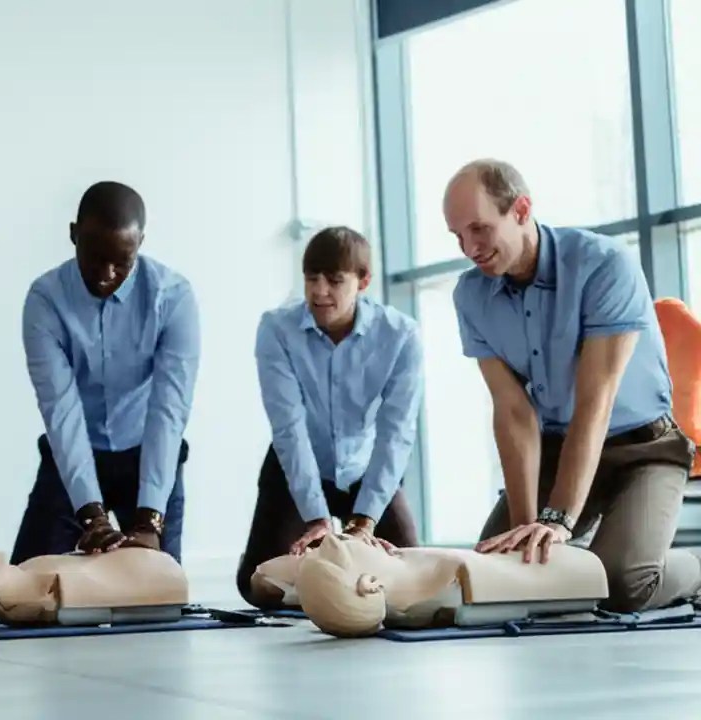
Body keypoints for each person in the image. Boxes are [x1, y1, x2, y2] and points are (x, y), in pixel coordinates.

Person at [447, 158, 701, 612]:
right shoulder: (471, 295)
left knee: (624, 584)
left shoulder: (605, 266)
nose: (469, 247)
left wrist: (557, 519)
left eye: (479, 229)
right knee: (497, 571)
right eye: (458, 236)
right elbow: (513, 412)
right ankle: (578, 562)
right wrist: (526, 529)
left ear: (521, 210)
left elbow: (595, 401)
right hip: (559, 447)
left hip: (644, 450)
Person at [11, 181, 200, 564]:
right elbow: (61, 411)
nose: (106, 273)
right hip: (74, 454)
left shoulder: (174, 297)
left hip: (147, 450)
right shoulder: (45, 300)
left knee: (156, 593)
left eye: (122, 261)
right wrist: (90, 515)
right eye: (94, 257)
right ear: (72, 235)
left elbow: (169, 410)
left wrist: (150, 520)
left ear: (140, 243)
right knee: (24, 590)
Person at [235, 226, 422, 605]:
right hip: (297, 468)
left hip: (367, 469)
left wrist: (365, 521)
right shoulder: (276, 330)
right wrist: (316, 519)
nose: (320, 292)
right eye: (311, 279)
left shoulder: (401, 335)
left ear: (363, 280)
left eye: (335, 281)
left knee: (410, 582)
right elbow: (288, 428)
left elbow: (396, 434)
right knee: (260, 588)